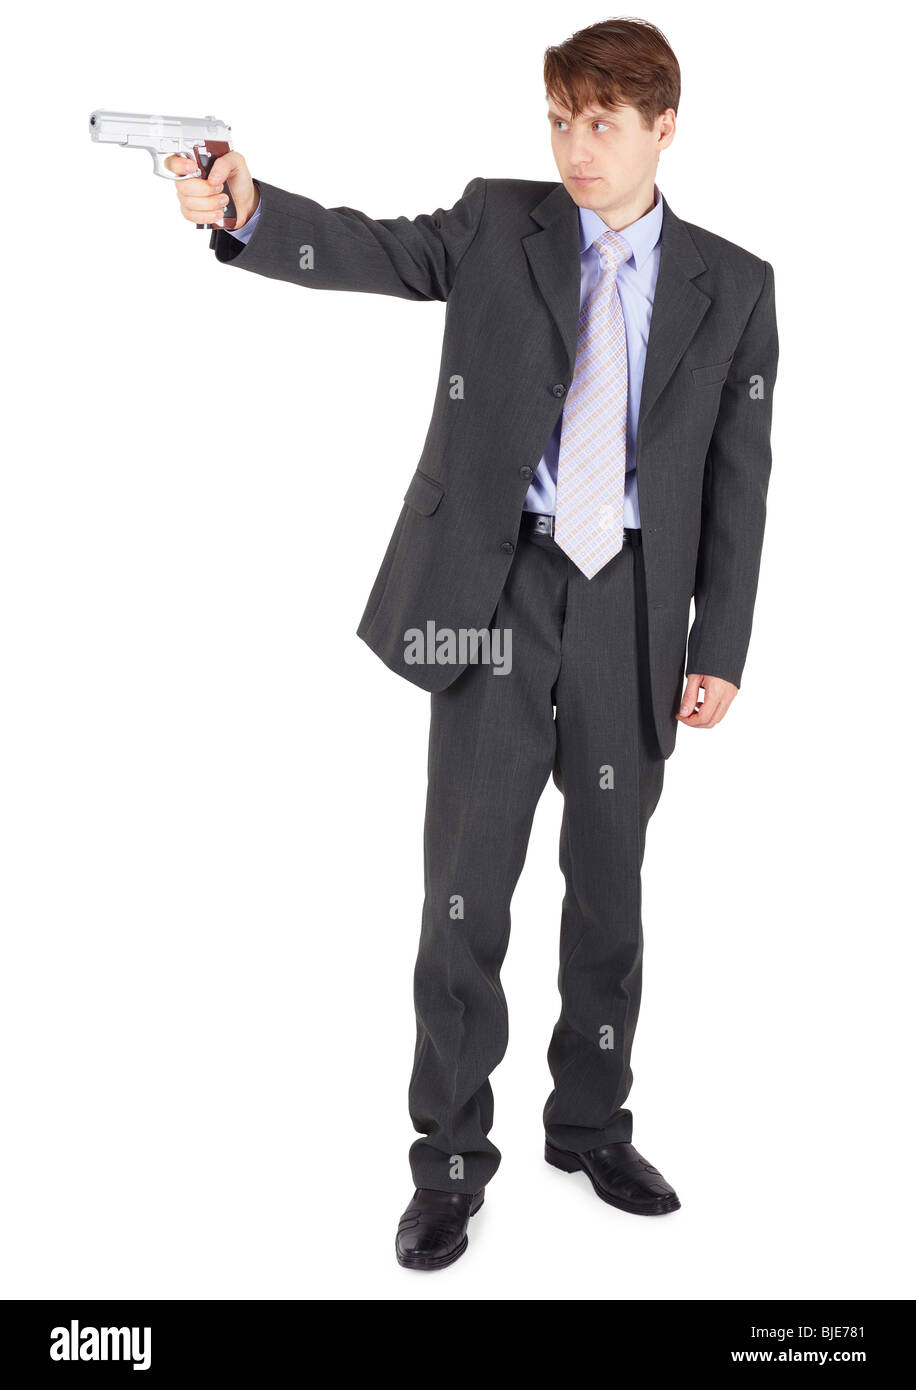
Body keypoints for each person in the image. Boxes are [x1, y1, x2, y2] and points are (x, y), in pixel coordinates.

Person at [166, 16, 778, 1271]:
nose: (572, 147)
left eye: (600, 123)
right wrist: (242, 211)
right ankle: (448, 1164)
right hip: (494, 600)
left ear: (665, 125)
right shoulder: (502, 225)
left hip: (633, 613)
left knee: (611, 896)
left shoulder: (738, 283)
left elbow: (738, 477)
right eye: (559, 119)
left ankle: (591, 1125)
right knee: (466, 897)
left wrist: (719, 642)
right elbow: (366, 250)